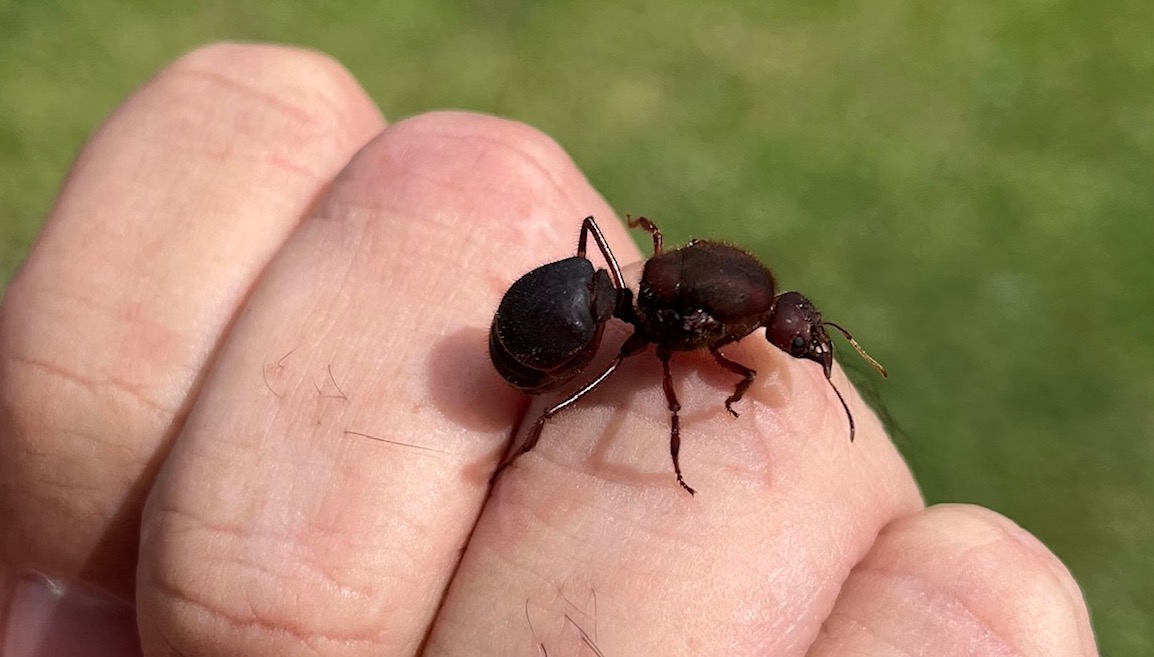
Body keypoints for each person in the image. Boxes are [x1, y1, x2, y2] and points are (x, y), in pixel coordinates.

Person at [0, 44, 1098, 656]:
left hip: (587, 294)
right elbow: (671, 336)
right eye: (807, 346)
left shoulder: (728, 305)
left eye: (806, 345)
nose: (804, 351)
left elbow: (676, 294)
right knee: (621, 383)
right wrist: (649, 411)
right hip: (568, 316)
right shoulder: (704, 329)